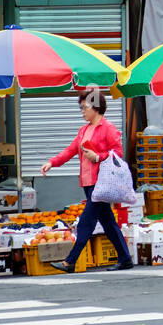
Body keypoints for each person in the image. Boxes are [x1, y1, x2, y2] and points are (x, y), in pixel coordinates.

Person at [40, 89, 136, 273]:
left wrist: (98, 157)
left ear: (96, 107)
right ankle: (125, 259)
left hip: (101, 183)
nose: (82, 111)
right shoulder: (84, 130)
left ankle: (70, 261)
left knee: (86, 221)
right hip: (88, 183)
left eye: (85, 107)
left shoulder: (108, 128)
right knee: (108, 223)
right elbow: (70, 150)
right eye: (81, 108)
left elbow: (118, 154)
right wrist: (52, 162)